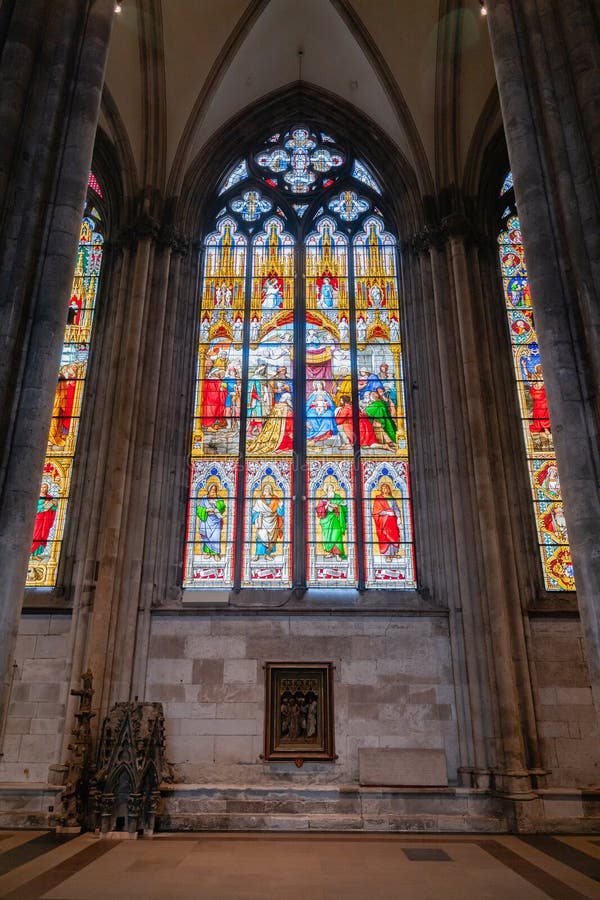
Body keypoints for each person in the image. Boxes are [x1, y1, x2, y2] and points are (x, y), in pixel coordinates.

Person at [251, 481, 284, 561]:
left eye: (267, 489)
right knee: (260, 537)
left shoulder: (275, 499)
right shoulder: (260, 500)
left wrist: (281, 505)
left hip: (273, 521)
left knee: (272, 538)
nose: (266, 490)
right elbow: (255, 511)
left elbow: (280, 513)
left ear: (270, 490)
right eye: (264, 489)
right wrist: (257, 515)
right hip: (262, 521)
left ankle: (267, 554)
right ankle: (257, 554)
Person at [48, 363, 78, 448]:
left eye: (72, 369)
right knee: (53, 419)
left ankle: (53, 438)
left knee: (56, 418)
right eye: (70, 368)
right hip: (58, 402)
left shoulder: (73, 381)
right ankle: (51, 439)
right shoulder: (63, 380)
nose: (70, 370)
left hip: (64, 403)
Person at [316, 480, 347, 559]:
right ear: (327, 490)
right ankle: (331, 553)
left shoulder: (337, 498)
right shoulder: (323, 498)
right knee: (328, 537)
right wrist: (326, 506)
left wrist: (337, 506)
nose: (331, 490)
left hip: (335, 519)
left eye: (332, 488)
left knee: (336, 536)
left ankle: (337, 554)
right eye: (329, 489)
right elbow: (319, 510)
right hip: (326, 520)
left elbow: (344, 507)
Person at [372, 482, 402, 558]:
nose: (384, 489)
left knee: (394, 536)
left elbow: (396, 509)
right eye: (383, 488)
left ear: (388, 489)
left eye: (386, 488)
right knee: (386, 537)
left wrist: (398, 517)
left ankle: (394, 554)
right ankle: (387, 555)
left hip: (393, 520)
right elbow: (376, 511)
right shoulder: (378, 498)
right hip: (384, 521)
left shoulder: (392, 498)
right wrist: (387, 512)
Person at [196, 482, 225, 558]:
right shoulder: (204, 499)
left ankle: (215, 554)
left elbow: (223, 507)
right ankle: (207, 552)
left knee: (216, 537)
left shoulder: (218, 499)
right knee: (206, 536)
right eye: (212, 490)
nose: (213, 492)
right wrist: (206, 510)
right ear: (209, 490)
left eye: (215, 490)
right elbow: (198, 510)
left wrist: (216, 503)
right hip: (206, 521)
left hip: (216, 521)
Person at [30, 483, 58, 558]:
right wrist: (43, 505)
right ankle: (30, 554)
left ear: (47, 489)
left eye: (45, 487)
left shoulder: (49, 498)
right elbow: (32, 507)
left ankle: (36, 554)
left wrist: (54, 505)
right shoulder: (35, 496)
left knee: (43, 536)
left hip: (45, 521)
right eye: (42, 487)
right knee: (35, 536)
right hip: (37, 519)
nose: (43, 488)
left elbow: (53, 509)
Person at [201, 364, 228, 431]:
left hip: (216, 400)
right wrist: (221, 388)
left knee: (216, 412)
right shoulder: (210, 381)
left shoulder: (218, 381)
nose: (221, 376)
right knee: (210, 412)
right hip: (210, 400)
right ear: (214, 373)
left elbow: (222, 390)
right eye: (219, 373)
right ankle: (209, 426)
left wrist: (223, 389)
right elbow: (209, 390)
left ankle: (214, 425)